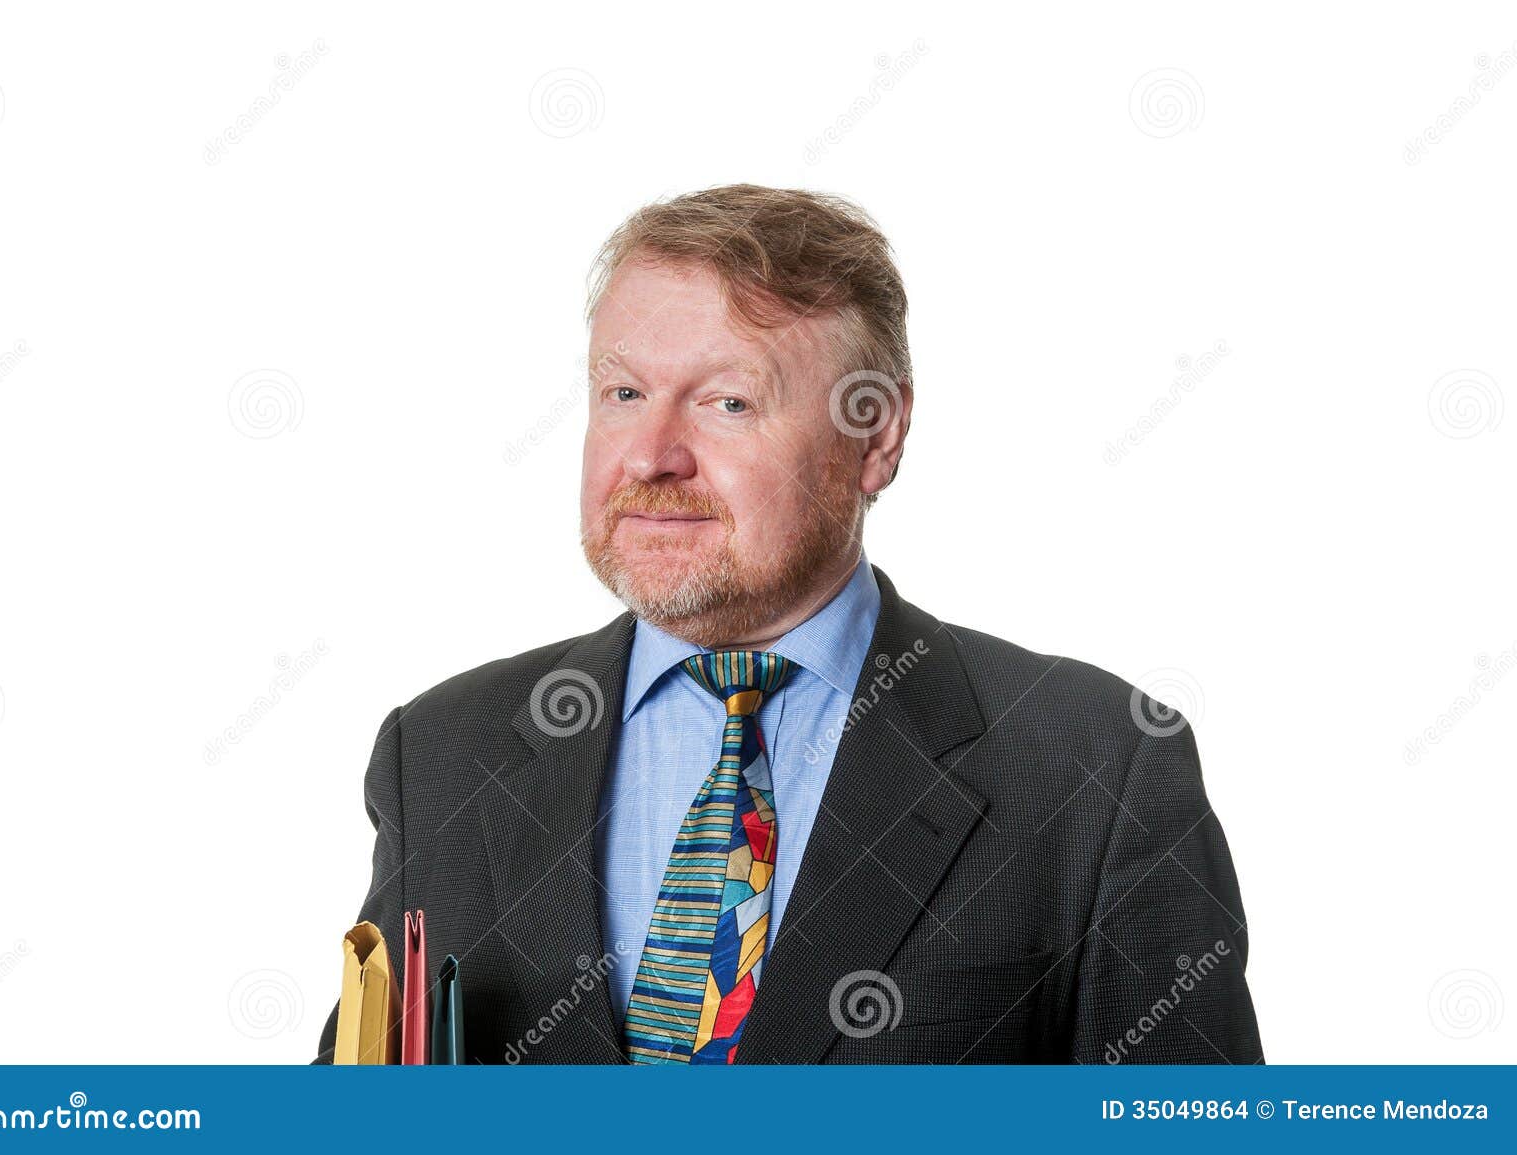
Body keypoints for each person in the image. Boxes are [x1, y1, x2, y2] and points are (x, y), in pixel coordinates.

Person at [314, 184, 1262, 1064]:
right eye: (624, 393)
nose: (653, 455)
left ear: (876, 434)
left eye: (728, 402)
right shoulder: (441, 756)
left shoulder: (1096, 768)